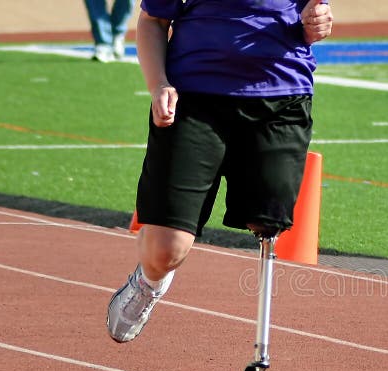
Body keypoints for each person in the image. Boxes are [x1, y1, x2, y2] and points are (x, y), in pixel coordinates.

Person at [106, 0, 333, 343]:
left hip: (281, 97)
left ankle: (260, 351)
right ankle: (149, 282)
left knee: (267, 224)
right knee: (167, 250)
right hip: (194, 98)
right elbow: (152, 20)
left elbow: (315, 19)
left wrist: (318, 24)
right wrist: (159, 86)